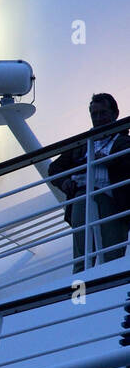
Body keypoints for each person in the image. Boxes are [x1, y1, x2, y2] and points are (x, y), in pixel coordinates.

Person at [50, 93, 130, 272]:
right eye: (94, 114)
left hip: (112, 200)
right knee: (82, 257)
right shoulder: (83, 144)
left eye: (103, 113)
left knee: (112, 254)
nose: (99, 118)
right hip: (82, 197)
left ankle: (110, 290)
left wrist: (107, 159)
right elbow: (54, 169)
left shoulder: (124, 141)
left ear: (115, 114)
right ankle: (81, 294)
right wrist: (64, 182)